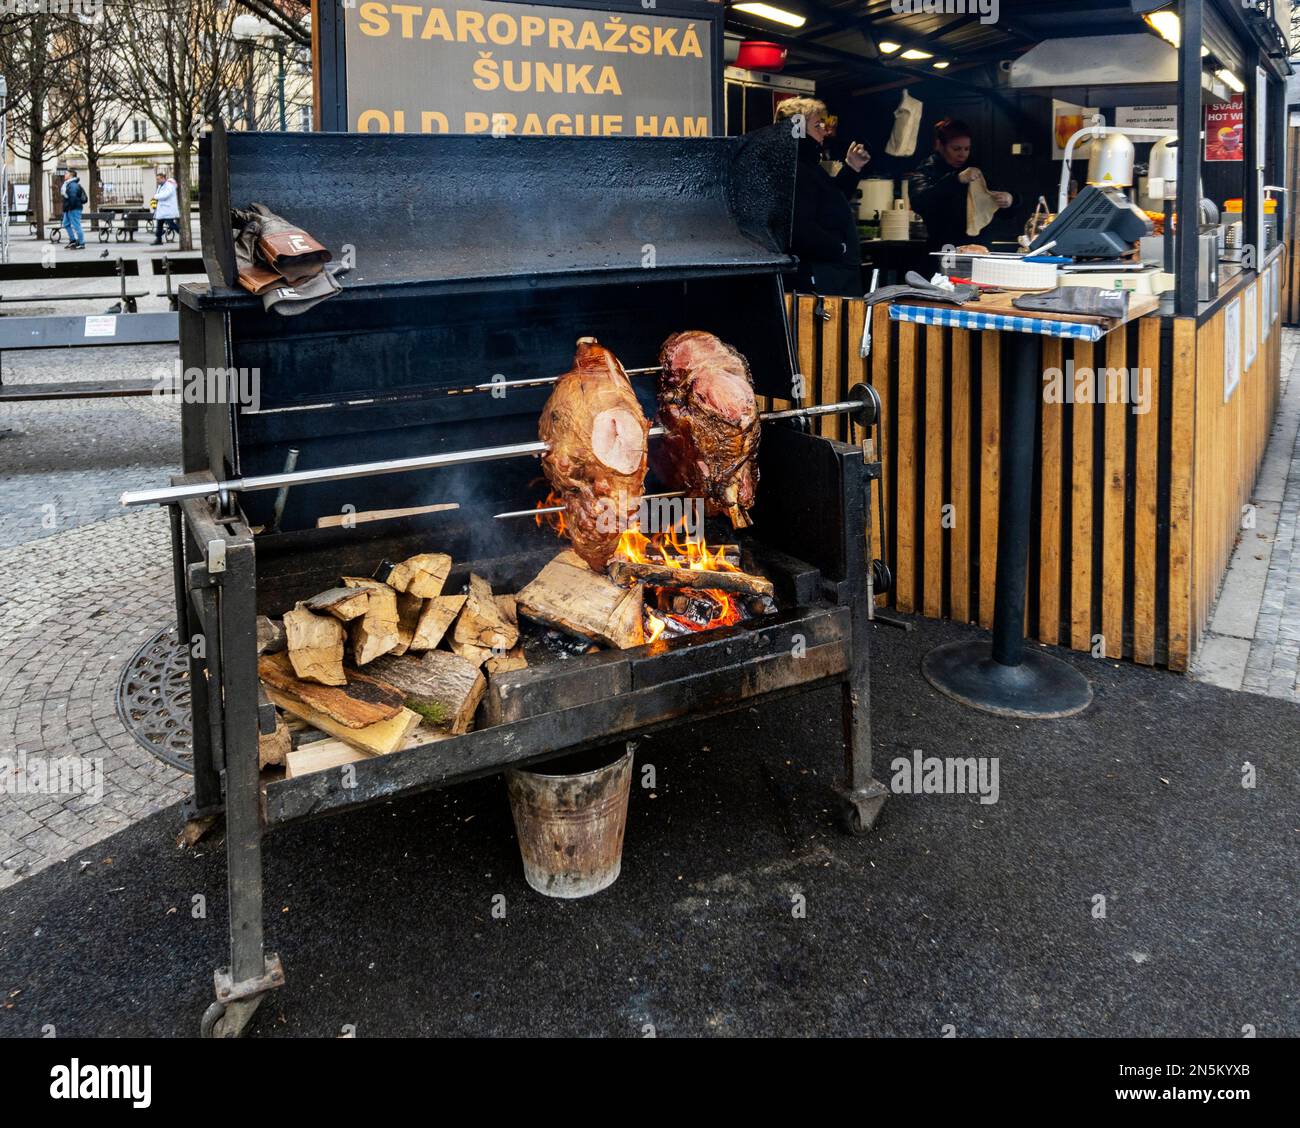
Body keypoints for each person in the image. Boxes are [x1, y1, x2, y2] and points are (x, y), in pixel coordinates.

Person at [774, 97, 871, 296]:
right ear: (798, 129)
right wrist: (838, 248)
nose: (824, 130)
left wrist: (852, 168)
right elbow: (799, 227)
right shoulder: (795, 168)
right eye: (817, 125)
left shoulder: (808, 165)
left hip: (829, 273)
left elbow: (831, 203)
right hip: (817, 277)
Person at [909, 119, 1014, 257]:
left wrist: (1010, 200)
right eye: (956, 149)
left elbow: (997, 207)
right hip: (944, 247)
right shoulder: (927, 170)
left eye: (967, 149)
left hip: (980, 247)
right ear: (939, 145)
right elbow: (919, 201)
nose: (962, 154)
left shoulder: (977, 170)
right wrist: (956, 179)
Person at [150, 169, 180, 244]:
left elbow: (165, 195)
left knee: (171, 224)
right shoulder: (161, 186)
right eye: (157, 179)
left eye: (158, 179)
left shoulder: (169, 186)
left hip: (168, 209)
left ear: (163, 178)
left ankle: (182, 233)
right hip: (162, 210)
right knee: (159, 225)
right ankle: (158, 240)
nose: (157, 181)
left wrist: (155, 196)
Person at [61, 171, 87, 250]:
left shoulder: (73, 185)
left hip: (73, 208)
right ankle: (72, 240)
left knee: (76, 225)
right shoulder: (67, 184)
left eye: (66, 173)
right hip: (69, 208)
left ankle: (82, 243)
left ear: (71, 175)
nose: (65, 175)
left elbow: (73, 197)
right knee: (65, 223)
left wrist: (70, 208)